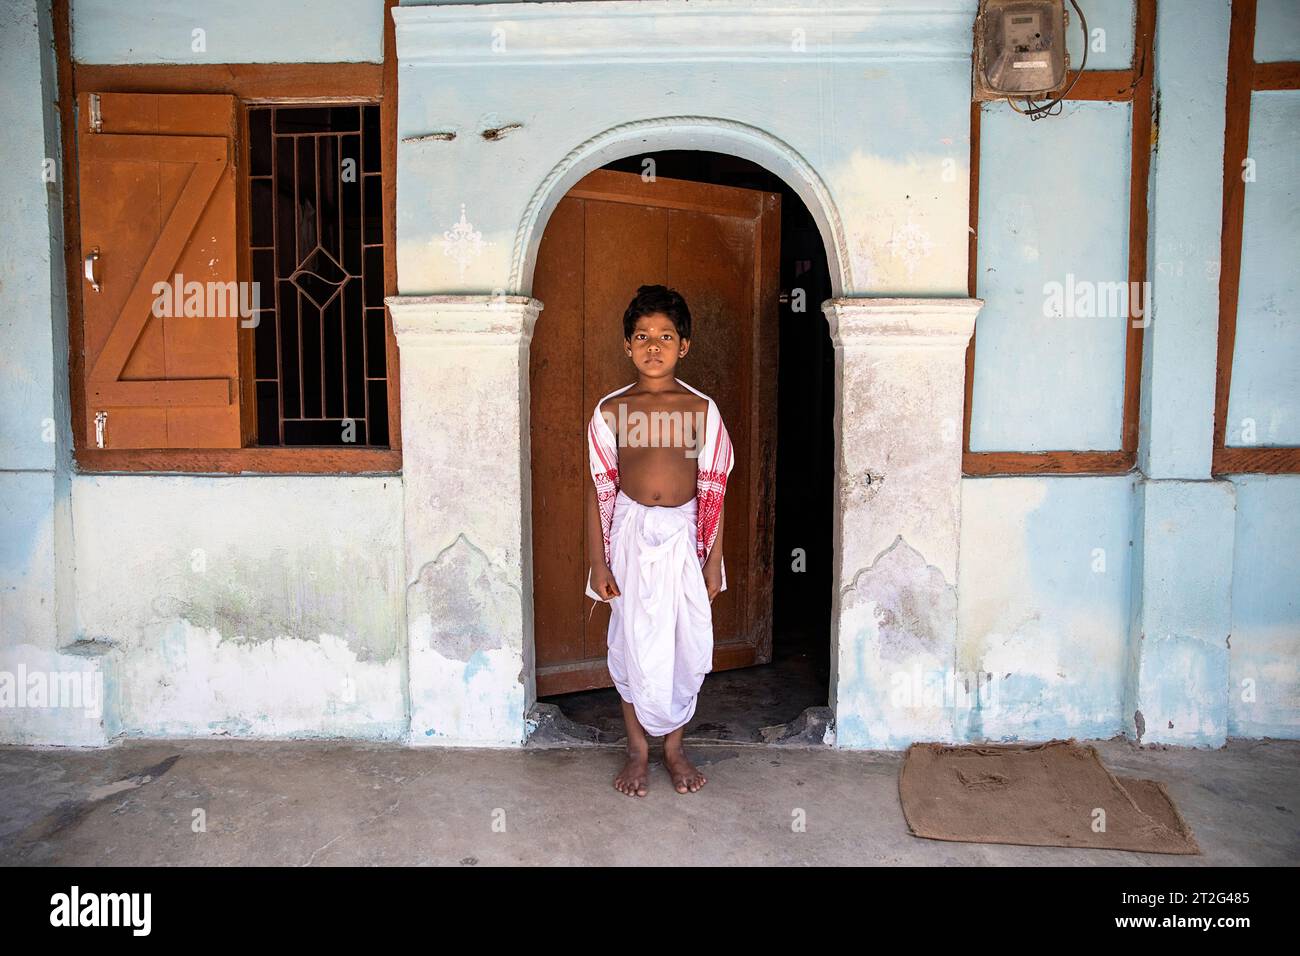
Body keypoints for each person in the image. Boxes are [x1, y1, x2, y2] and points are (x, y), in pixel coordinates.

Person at [585, 284, 733, 797]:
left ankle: (674, 749)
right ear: (627, 345)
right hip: (628, 536)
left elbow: (714, 485)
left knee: (679, 641)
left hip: (683, 539)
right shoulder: (612, 410)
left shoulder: (698, 410)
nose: (654, 346)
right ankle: (637, 751)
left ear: (684, 346)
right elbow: (599, 487)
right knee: (630, 640)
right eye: (643, 336)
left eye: (666, 336)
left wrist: (715, 560)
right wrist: (597, 561)